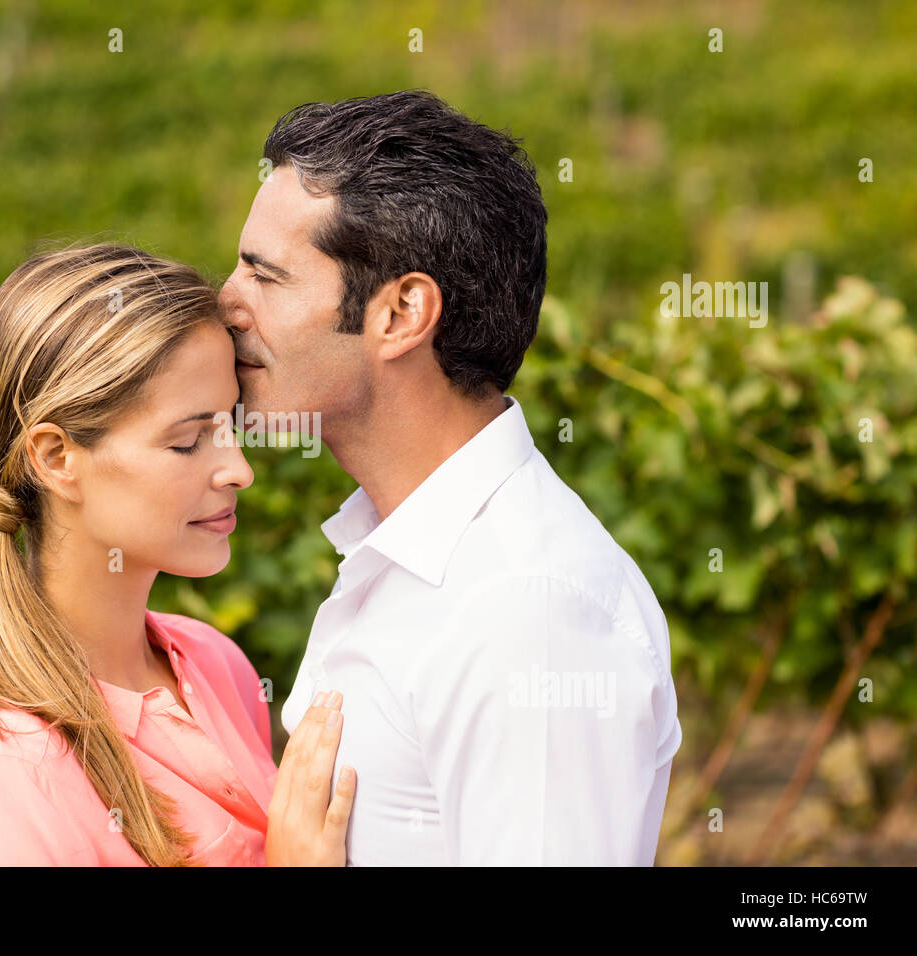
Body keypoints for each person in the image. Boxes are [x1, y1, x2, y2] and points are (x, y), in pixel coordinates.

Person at [218, 90, 684, 865]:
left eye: (265, 276)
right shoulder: (409, 555)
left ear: (401, 313)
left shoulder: (526, 617)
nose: (224, 303)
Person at [0, 243, 353, 866]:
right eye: (187, 441)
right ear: (57, 457)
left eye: (229, 426)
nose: (238, 469)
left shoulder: (214, 663)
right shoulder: (1, 769)